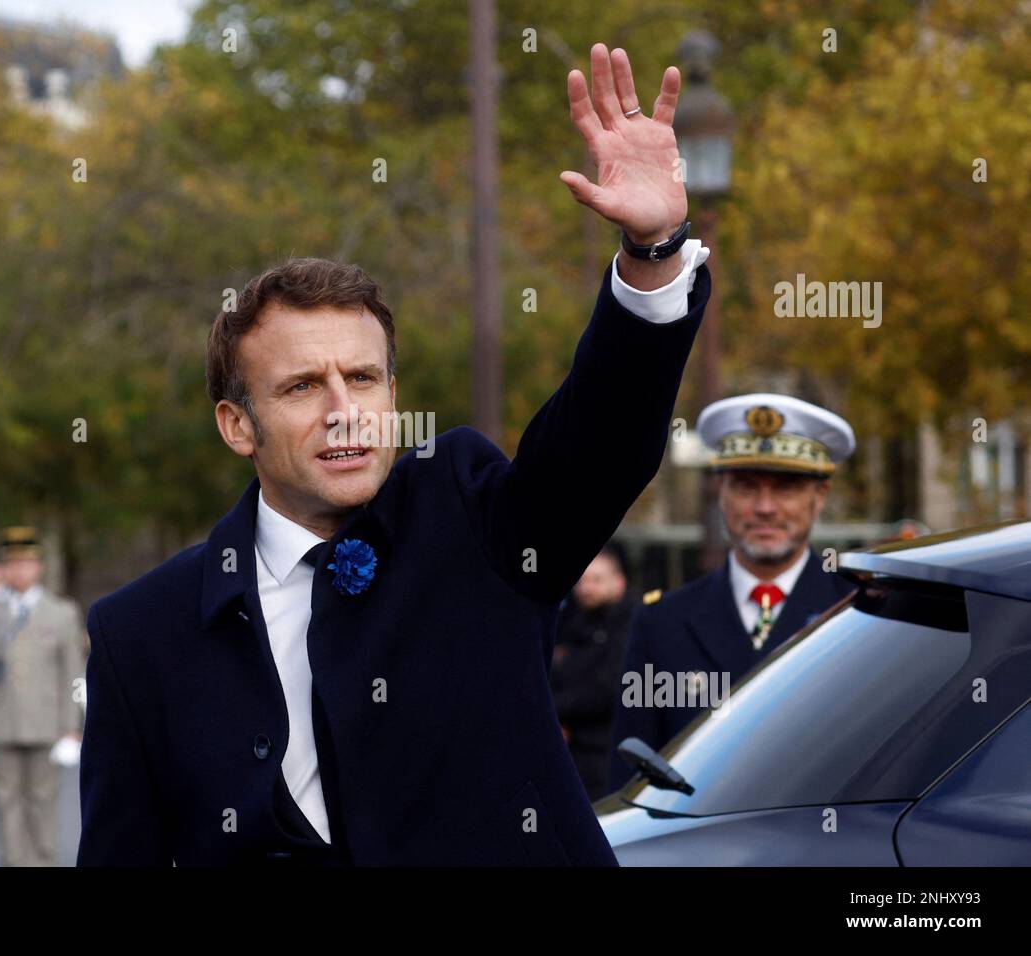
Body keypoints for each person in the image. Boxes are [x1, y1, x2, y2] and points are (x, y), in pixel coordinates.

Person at [78, 44, 711, 867]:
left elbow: (597, 448)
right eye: (304, 387)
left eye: (365, 379)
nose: (347, 413)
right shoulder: (141, 632)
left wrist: (652, 252)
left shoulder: (468, 510)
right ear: (238, 426)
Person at [606, 394, 858, 792]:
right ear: (719, 491)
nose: (764, 507)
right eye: (745, 486)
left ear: (820, 496)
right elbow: (629, 778)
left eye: (786, 487)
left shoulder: (859, 611)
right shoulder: (662, 623)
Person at [0, 528, 86, 866]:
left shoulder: (61, 613)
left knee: (42, 804)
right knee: (5, 805)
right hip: (0, 722)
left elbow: (73, 675)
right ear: (4, 568)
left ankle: (43, 862)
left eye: (26, 564)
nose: (19, 571)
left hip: (46, 724)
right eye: (12, 564)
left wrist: (72, 725)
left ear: (39, 568)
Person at [551, 546, 636, 801]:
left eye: (597, 580)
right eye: (582, 580)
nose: (586, 588)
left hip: (606, 752)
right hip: (576, 751)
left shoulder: (632, 624)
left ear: (619, 582)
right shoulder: (573, 620)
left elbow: (607, 687)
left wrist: (553, 711)